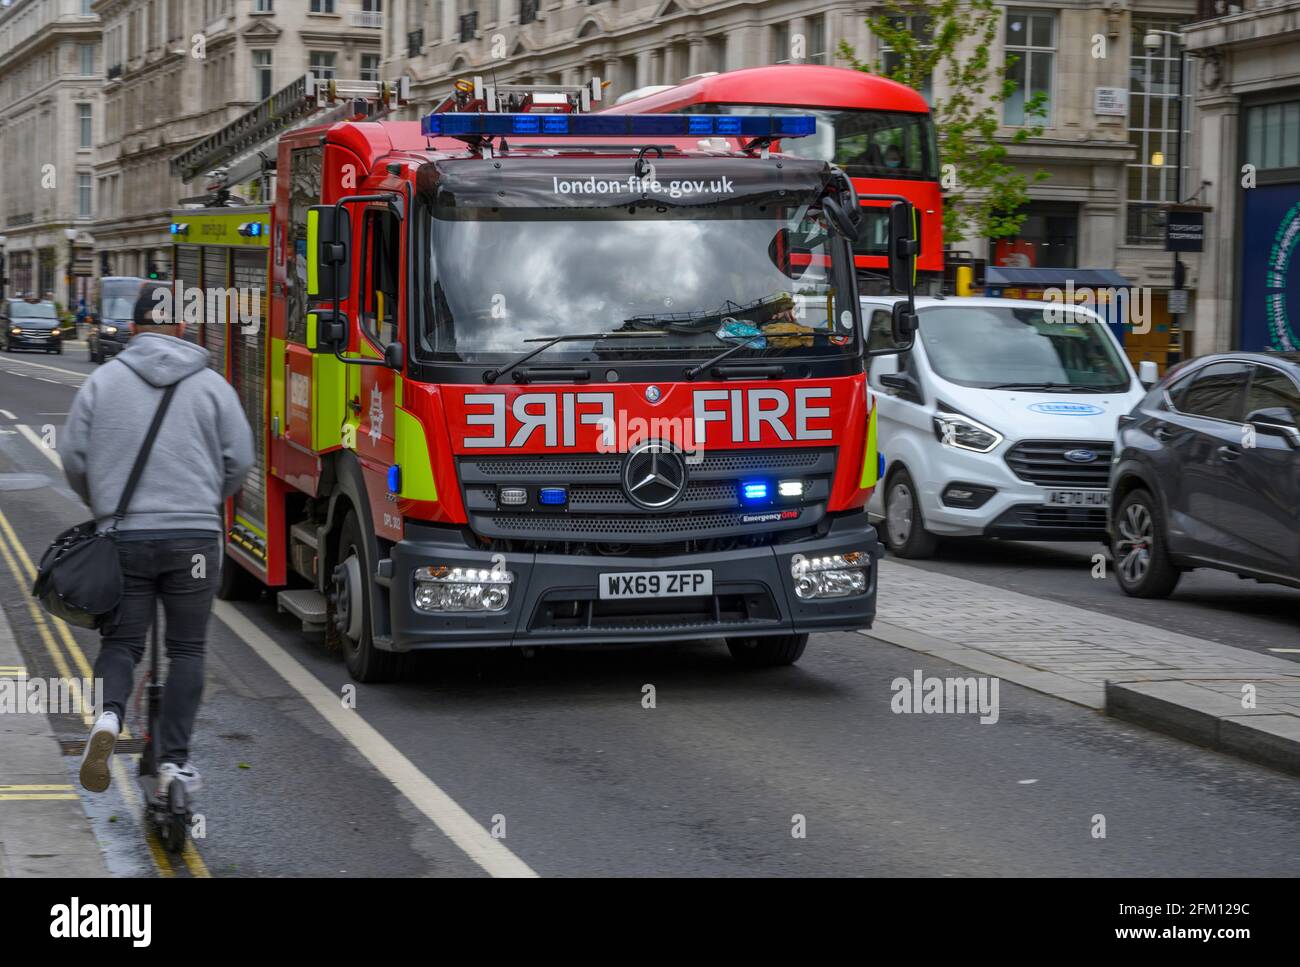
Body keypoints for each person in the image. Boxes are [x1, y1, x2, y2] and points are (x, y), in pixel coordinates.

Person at [62, 283, 254, 794]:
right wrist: (206, 501)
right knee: (187, 648)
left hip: (125, 537)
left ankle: (107, 721)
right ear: (183, 326)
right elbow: (240, 460)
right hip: (193, 541)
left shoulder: (102, 382)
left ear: (132, 327)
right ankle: (174, 765)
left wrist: (103, 507)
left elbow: (74, 459)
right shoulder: (213, 386)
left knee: (122, 642)